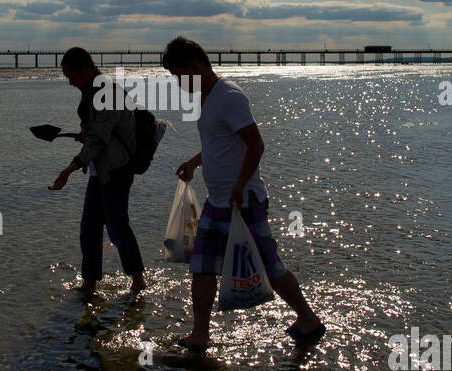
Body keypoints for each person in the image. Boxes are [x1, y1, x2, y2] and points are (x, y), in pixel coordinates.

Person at [162, 36, 324, 349]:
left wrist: (238, 185)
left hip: (244, 201)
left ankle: (308, 318)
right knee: (202, 266)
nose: (177, 82)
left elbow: (255, 144)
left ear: (195, 67)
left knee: (270, 266)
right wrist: (195, 162)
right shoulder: (207, 97)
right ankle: (200, 333)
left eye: (178, 75)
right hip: (216, 200)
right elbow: (218, 142)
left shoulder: (229, 96)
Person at [48, 47, 147, 296]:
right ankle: (90, 283)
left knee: (117, 227)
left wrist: (71, 167)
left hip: (117, 169)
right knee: (89, 229)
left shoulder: (108, 93)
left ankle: (138, 280)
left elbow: (100, 138)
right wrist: (84, 134)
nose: (70, 82)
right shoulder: (89, 91)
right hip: (99, 170)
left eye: (71, 76)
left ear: (87, 69)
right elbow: (95, 132)